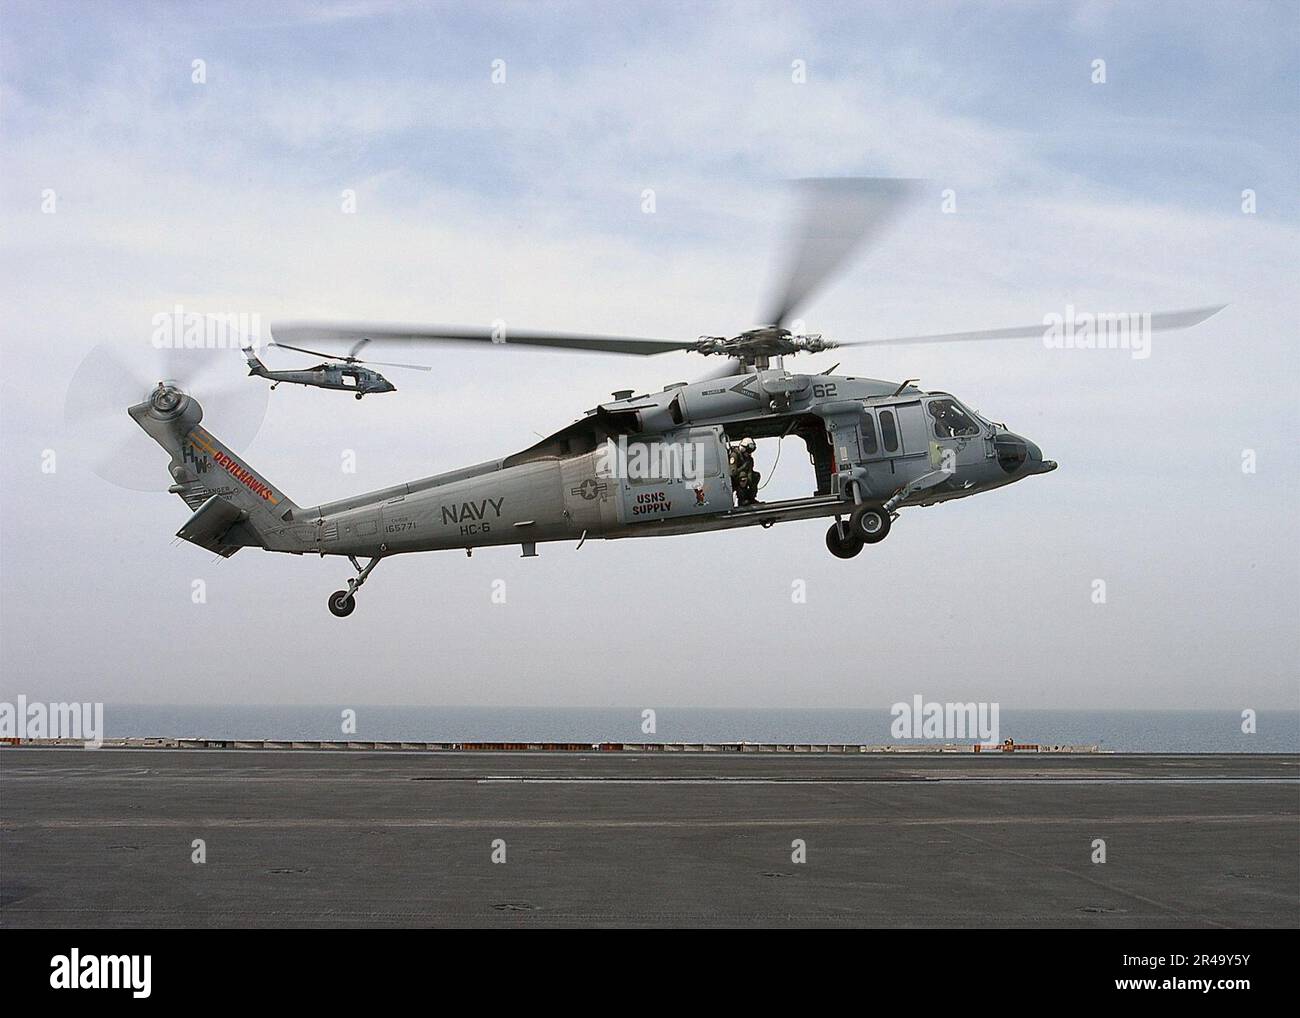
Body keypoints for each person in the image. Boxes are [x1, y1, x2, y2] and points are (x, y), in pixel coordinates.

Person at [729, 437, 760, 506]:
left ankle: (751, 498)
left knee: (756, 476)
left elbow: (750, 471)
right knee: (742, 476)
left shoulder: (749, 459)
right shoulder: (735, 455)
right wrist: (743, 467)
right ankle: (742, 499)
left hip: (745, 478)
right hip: (735, 480)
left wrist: (751, 479)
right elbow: (732, 473)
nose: (749, 454)